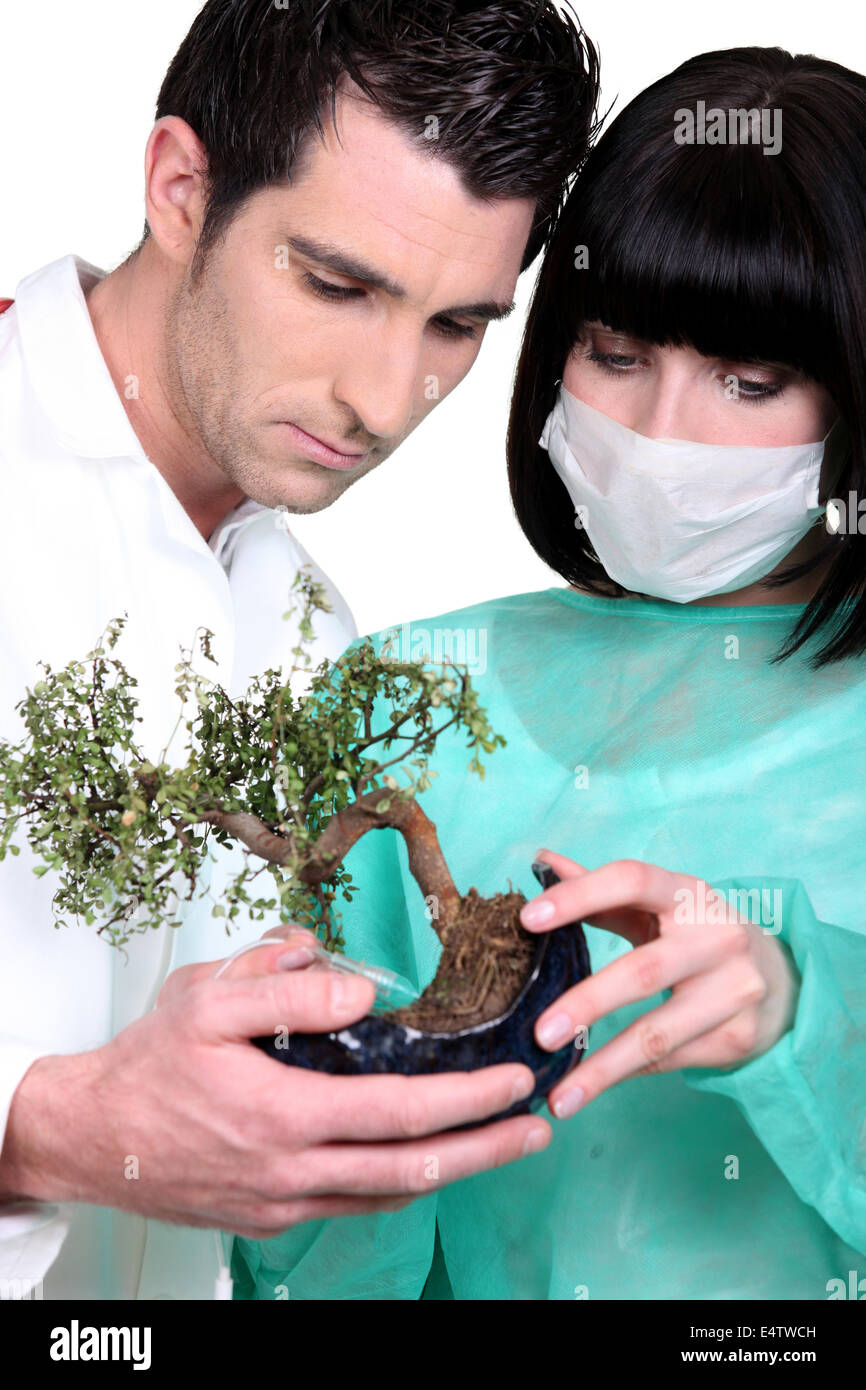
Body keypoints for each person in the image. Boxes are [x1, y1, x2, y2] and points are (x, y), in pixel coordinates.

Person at [229, 45, 866, 1300]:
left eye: (749, 381)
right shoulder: (397, 689)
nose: (660, 435)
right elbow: (293, 1235)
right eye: (616, 354)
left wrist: (800, 1010)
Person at [0, 0, 600, 1300]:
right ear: (178, 189)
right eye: (338, 284)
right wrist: (42, 1128)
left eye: (456, 325)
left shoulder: (305, 621)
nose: (386, 401)